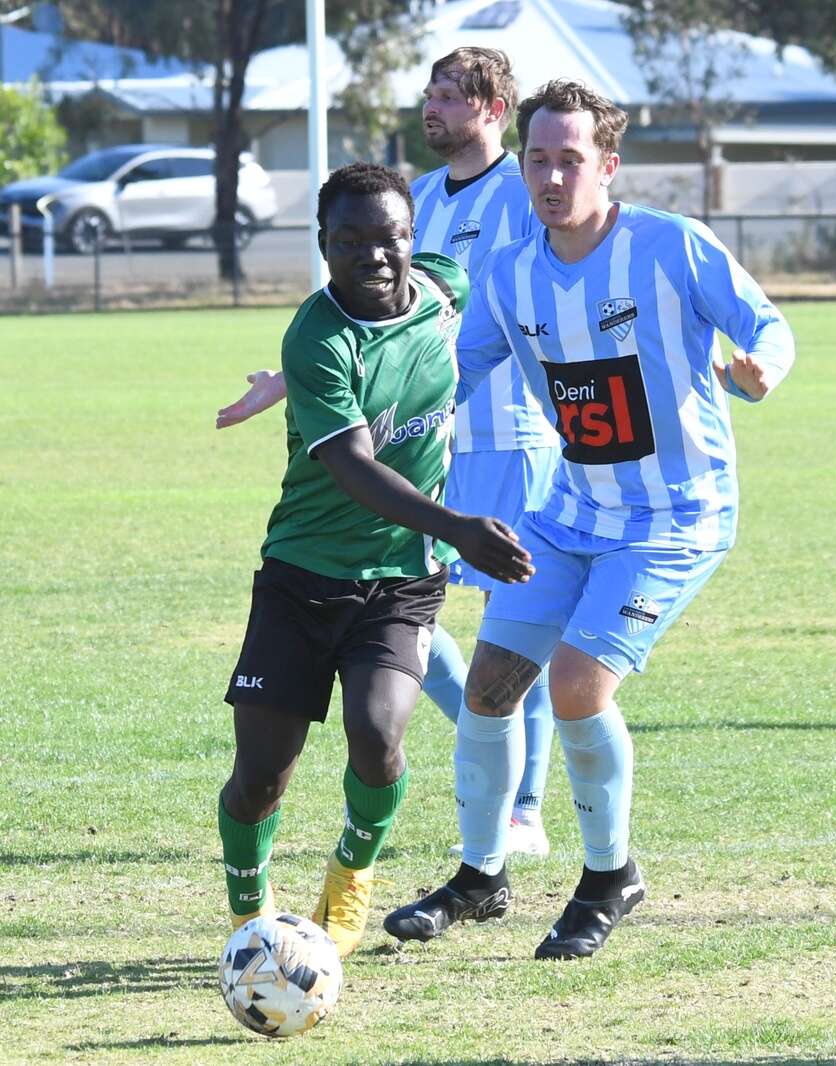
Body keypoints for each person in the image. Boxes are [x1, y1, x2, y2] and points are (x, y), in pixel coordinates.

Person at [381, 80, 796, 960]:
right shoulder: (513, 272)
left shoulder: (670, 247)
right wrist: (336, 396)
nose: (552, 177)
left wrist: (762, 363)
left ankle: (610, 876)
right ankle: (481, 875)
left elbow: (767, 323)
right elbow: (446, 369)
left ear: (608, 165)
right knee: (493, 685)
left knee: (576, 685)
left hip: (674, 516)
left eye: (571, 160)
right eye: (538, 159)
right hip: (571, 512)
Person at [217, 47, 564, 859]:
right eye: (429, 92)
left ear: (494, 107)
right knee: (424, 626)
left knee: (516, 623)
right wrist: (295, 383)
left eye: (449, 95)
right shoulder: (424, 198)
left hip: (509, 435)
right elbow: (368, 322)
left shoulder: (525, 194)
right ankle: (468, 749)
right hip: (420, 446)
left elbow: (547, 292)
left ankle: (524, 804)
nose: (431, 106)